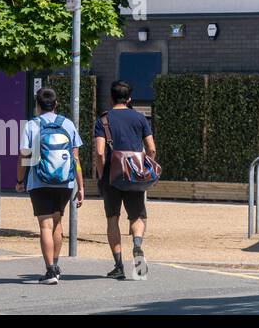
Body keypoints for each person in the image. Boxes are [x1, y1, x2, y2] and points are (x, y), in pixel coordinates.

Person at [16, 87, 85, 285]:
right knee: (57, 222)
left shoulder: (32, 125)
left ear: (37, 105)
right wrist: (80, 187)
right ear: (56, 105)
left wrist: (20, 181)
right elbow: (75, 158)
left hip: (39, 182)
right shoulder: (68, 124)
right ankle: (56, 264)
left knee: (45, 225)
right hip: (65, 183)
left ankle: (50, 271)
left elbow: (24, 156)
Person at [94, 79, 157, 280]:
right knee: (137, 216)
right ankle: (137, 246)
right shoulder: (140, 118)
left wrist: (101, 172)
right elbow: (151, 148)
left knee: (113, 218)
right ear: (129, 98)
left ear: (111, 97)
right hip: (134, 174)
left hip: (112, 174)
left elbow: (99, 151)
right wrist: (145, 167)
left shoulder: (103, 120)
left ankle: (118, 265)